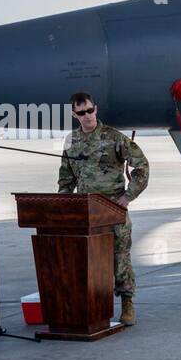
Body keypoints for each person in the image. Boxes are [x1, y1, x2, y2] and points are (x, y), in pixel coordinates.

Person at [57, 93, 149, 326]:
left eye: (90, 110)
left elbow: (142, 166)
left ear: (95, 109)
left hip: (113, 210)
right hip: (86, 212)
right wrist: (62, 208)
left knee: (120, 259)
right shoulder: (71, 141)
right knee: (91, 261)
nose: (87, 116)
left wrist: (128, 196)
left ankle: (127, 304)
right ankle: (96, 306)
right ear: (73, 115)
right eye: (81, 113)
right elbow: (66, 178)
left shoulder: (114, 137)